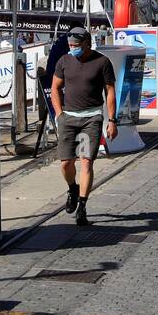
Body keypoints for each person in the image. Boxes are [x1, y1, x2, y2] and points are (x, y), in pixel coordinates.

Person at [50, 27, 118, 226]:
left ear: (87, 43)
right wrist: (59, 114)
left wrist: (112, 120)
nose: (73, 49)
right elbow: (55, 87)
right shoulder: (64, 61)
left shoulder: (102, 62)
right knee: (65, 163)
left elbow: (110, 91)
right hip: (68, 118)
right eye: (70, 45)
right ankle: (72, 188)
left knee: (86, 161)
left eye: (76, 46)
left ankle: (82, 206)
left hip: (92, 118)